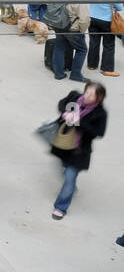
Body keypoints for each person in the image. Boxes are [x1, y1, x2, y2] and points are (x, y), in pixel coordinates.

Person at [49, 82, 108, 219]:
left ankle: (60, 207)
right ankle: (70, 187)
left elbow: (99, 132)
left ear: (99, 98)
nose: (86, 96)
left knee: (69, 178)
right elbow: (61, 104)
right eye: (86, 91)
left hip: (79, 151)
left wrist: (79, 121)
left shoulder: (100, 113)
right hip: (63, 145)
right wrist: (66, 113)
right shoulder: (75, 97)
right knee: (63, 169)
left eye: (91, 94)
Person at [87, 0, 120, 76]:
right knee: (108, 45)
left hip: (92, 19)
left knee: (94, 42)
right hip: (106, 21)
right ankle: (107, 69)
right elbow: (119, 6)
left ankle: (92, 64)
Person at [51, 0, 90, 82]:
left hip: (59, 25)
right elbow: (85, 19)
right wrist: (81, 31)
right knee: (82, 50)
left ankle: (58, 74)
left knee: (59, 48)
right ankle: (75, 74)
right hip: (72, 28)